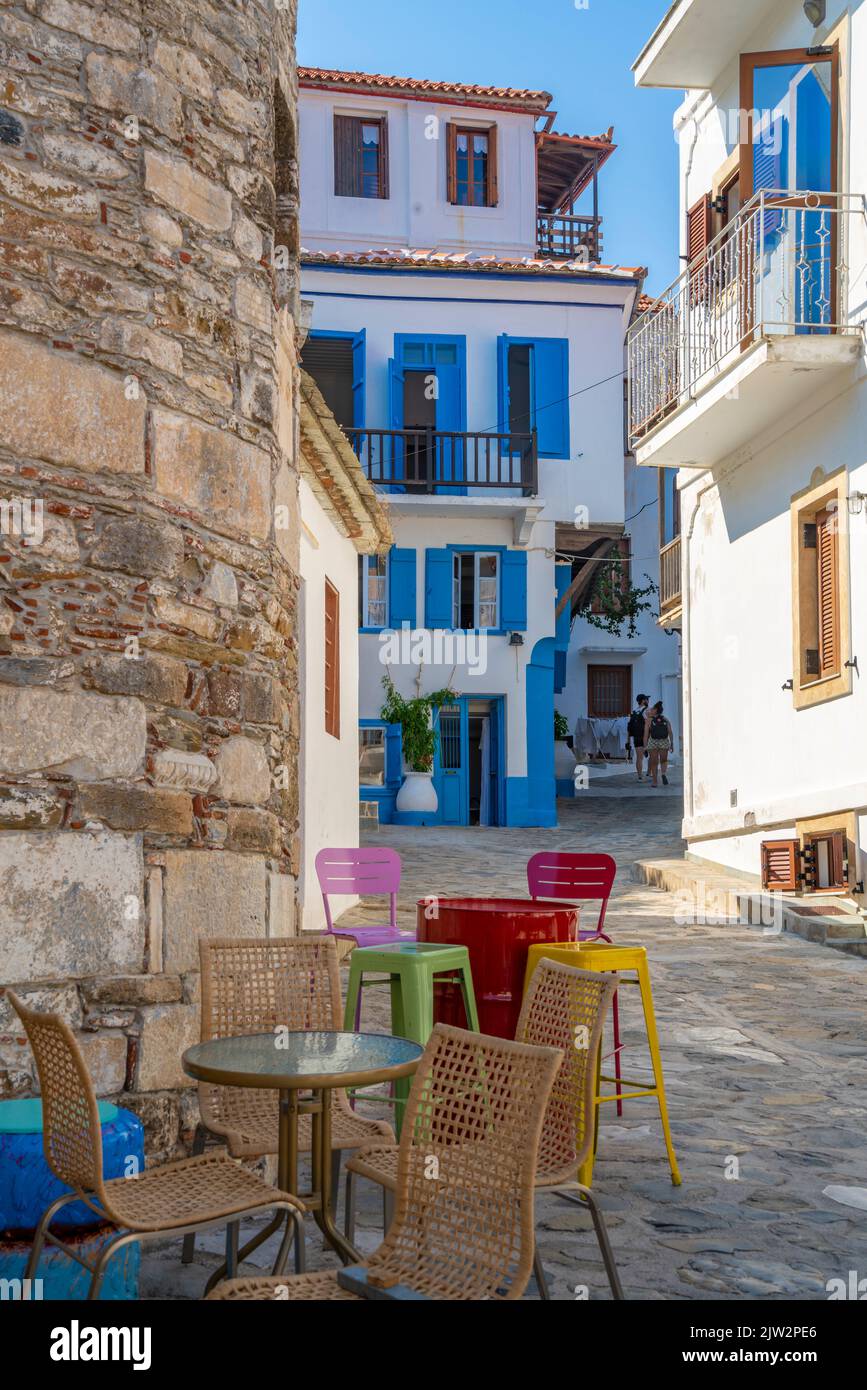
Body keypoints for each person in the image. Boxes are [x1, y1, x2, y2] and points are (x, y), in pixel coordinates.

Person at [644, 700, 674, 787]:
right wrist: (672, 743)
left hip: (653, 741)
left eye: (652, 709)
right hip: (664, 741)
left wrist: (645, 746)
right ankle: (663, 773)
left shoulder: (649, 721)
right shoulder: (665, 719)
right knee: (663, 760)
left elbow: (645, 735)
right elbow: (670, 732)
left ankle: (655, 782)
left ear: (656, 710)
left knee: (654, 762)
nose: (650, 710)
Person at [627, 694, 650, 781]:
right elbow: (648, 724)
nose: (648, 701)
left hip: (636, 737)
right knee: (653, 755)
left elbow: (629, 727)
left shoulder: (634, 711)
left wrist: (629, 739)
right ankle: (649, 773)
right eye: (646, 699)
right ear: (643, 701)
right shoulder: (646, 710)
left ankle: (640, 777)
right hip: (645, 737)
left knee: (639, 758)